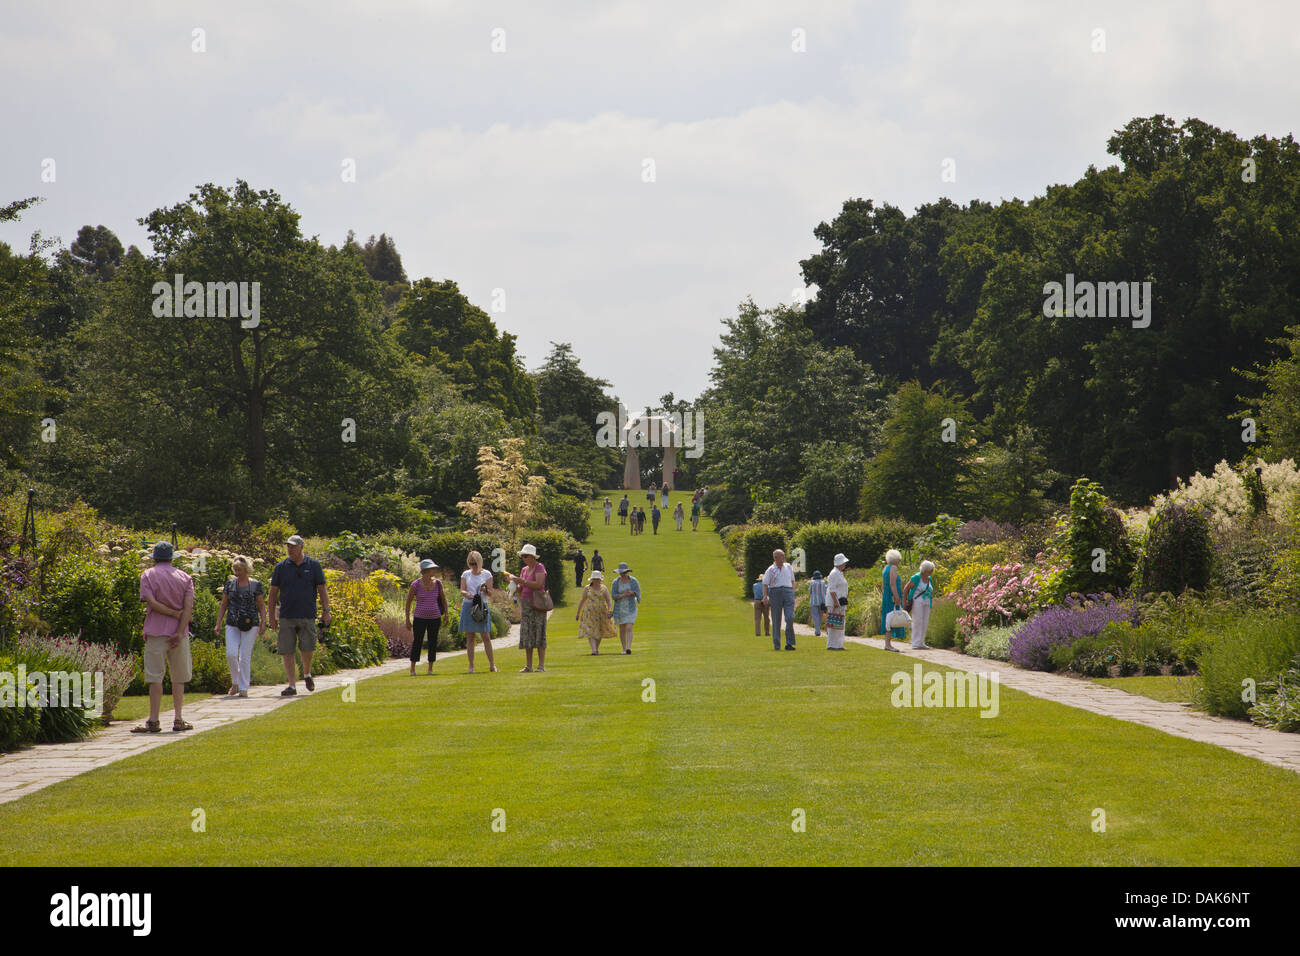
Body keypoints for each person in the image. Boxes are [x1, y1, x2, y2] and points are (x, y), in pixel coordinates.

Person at [132, 542, 195, 733]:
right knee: (178, 678)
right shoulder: (185, 577)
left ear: (155, 557)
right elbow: (188, 607)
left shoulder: (148, 575)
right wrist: (179, 629)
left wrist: (170, 613)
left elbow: (150, 602)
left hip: (155, 630)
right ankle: (178, 719)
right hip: (179, 633)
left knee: (155, 677)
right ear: (172, 557)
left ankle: (153, 720)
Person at [268, 534, 330, 695]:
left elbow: (322, 590)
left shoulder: (313, 565)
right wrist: (270, 616)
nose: (290, 549)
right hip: (286, 615)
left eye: (293, 546)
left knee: (307, 647)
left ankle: (307, 673)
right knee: (287, 650)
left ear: (301, 547)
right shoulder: (281, 567)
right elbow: (273, 593)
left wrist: (326, 611)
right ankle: (292, 685)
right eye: (288, 546)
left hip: (307, 614)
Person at [214, 556, 266, 698]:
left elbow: (261, 605)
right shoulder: (230, 584)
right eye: (235, 570)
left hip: (251, 623)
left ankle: (243, 687)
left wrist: (263, 622)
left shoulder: (255, 585)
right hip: (232, 622)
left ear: (246, 570)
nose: (237, 572)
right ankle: (235, 682)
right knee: (231, 653)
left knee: (244, 656)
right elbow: (224, 604)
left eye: (240, 570)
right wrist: (218, 623)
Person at [508, 543, 549, 672]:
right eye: (522, 556)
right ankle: (528, 665)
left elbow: (539, 584)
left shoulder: (539, 567)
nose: (524, 558)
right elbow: (522, 589)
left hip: (537, 604)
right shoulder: (524, 570)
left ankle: (541, 665)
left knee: (539, 632)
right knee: (527, 633)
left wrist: (522, 581)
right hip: (526, 604)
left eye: (525, 556)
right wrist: (514, 584)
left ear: (532, 557)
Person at [405, 559, 447, 675]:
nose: (434, 570)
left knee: (432, 642)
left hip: (435, 617)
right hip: (419, 617)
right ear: (425, 571)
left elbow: (443, 599)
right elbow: (408, 602)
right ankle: (412, 669)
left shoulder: (438, 583)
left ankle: (430, 669)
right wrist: (407, 619)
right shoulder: (416, 585)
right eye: (431, 569)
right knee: (417, 642)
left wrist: (446, 614)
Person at [459, 551, 497, 673]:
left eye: (475, 563)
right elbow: (462, 590)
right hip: (468, 605)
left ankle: (492, 664)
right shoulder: (466, 574)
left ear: (479, 562)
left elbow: (491, 592)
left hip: (481, 605)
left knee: (485, 635)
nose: (473, 566)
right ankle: (471, 666)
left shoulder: (486, 574)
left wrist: (485, 589)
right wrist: (467, 594)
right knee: (470, 636)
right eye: (471, 563)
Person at [763, 549, 797, 650]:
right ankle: (777, 644)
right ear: (775, 558)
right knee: (776, 619)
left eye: (783, 556)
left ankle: (789, 643)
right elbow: (765, 584)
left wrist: (792, 592)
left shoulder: (788, 567)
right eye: (781, 556)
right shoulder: (770, 569)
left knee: (790, 617)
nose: (783, 558)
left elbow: (792, 581)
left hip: (788, 591)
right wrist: (765, 596)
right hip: (775, 592)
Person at [576, 570, 616, 654]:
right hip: (589, 613)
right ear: (592, 579)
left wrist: (609, 610)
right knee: (590, 631)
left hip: (601, 612)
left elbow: (609, 601)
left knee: (599, 630)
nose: (596, 580)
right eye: (595, 579)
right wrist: (578, 613)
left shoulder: (604, 588)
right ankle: (594, 650)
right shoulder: (587, 588)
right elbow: (582, 600)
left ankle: (595, 649)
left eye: (598, 579)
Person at [610, 562, 641, 654]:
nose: (622, 574)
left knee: (629, 627)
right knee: (622, 628)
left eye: (624, 573)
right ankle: (623, 648)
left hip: (631, 608)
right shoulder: (615, 582)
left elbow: (637, 592)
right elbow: (614, 596)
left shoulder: (634, 581)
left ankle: (628, 647)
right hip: (620, 608)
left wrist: (631, 593)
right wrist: (623, 595)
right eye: (621, 573)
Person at [880, 549, 905, 652]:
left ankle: (887, 643)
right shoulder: (893, 568)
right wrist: (897, 597)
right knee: (891, 618)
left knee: (888, 618)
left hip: (886, 595)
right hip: (891, 596)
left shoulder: (885, 568)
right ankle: (888, 644)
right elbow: (892, 584)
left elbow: (883, 584)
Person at [907, 560, 935, 650]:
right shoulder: (916, 577)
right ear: (925, 570)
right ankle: (915, 643)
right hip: (917, 601)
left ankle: (921, 642)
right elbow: (906, 589)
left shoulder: (929, 579)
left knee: (925, 622)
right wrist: (905, 601)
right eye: (930, 570)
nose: (931, 572)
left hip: (926, 602)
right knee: (917, 621)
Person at [826, 554, 850, 651]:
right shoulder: (834, 573)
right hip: (834, 602)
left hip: (841, 601)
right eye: (843, 562)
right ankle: (832, 644)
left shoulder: (839, 573)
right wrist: (836, 602)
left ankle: (839, 644)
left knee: (840, 623)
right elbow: (832, 589)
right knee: (833, 623)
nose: (845, 564)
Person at [807, 570, 827, 639]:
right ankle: (818, 630)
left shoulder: (812, 583)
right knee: (820, 616)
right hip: (822, 602)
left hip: (813, 601)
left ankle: (817, 631)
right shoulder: (823, 582)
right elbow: (825, 591)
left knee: (815, 616)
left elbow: (810, 592)